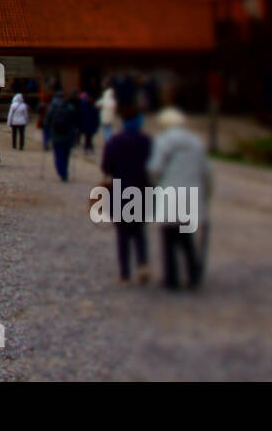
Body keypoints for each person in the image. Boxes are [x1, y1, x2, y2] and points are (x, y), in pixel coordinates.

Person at [147, 106, 213, 289]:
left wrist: (153, 185)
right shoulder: (196, 143)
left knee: (168, 238)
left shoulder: (163, 142)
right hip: (190, 197)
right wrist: (206, 196)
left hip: (170, 195)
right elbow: (206, 172)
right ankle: (193, 275)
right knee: (186, 238)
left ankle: (172, 278)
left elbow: (154, 169)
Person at [100, 101, 151, 285]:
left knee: (122, 235)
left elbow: (106, 166)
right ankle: (143, 264)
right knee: (139, 231)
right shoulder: (146, 141)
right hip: (142, 190)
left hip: (120, 191)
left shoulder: (114, 141)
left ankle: (125, 274)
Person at [46, 89, 76, 180]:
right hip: (68, 135)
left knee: (58, 155)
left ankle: (61, 171)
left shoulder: (52, 107)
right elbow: (75, 121)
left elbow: (47, 122)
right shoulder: (70, 107)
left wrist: (47, 134)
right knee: (66, 155)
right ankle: (65, 172)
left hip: (56, 135)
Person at [77, 91, 100, 156]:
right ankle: (88, 147)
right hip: (91, 126)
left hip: (86, 125)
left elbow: (80, 116)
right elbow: (96, 119)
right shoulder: (94, 109)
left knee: (88, 137)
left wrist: (80, 124)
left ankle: (88, 147)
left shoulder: (84, 108)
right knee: (88, 137)